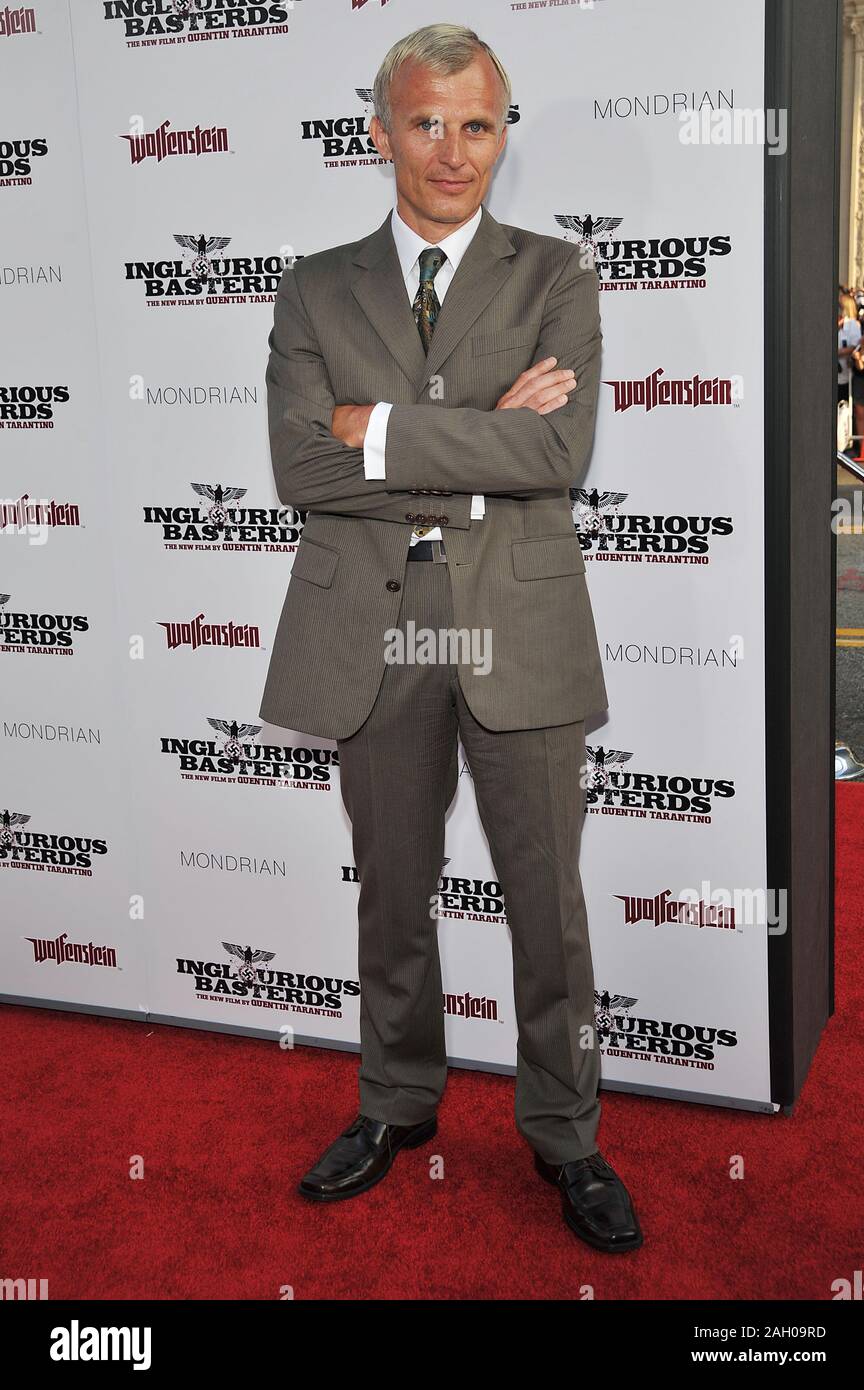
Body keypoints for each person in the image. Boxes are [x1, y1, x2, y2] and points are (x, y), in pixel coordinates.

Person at [259, 22, 642, 1253]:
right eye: (426, 122)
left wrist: (381, 431)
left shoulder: (556, 275)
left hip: (516, 620)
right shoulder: (315, 282)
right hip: (373, 624)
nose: (453, 150)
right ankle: (394, 1102)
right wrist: (479, 449)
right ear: (380, 131)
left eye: (478, 124)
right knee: (393, 896)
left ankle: (568, 1133)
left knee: (550, 906)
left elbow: (560, 455)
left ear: (504, 132)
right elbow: (299, 465)